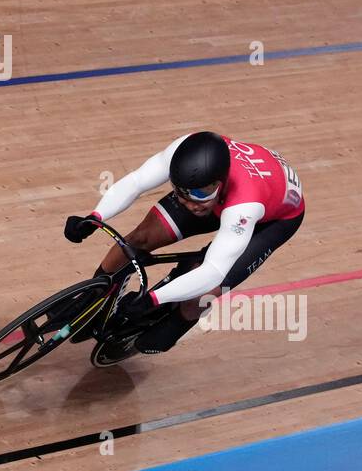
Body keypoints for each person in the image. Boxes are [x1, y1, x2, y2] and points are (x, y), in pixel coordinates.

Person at [63, 131, 305, 362]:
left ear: (219, 183)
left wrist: (152, 300)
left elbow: (213, 272)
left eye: (200, 193)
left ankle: (175, 324)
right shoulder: (184, 151)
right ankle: (94, 297)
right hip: (229, 192)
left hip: (273, 219)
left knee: (200, 295)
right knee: (141, 238)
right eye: (181, 192)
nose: (190, 203)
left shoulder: (245, 205)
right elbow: (136, 182)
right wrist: (95, 217)